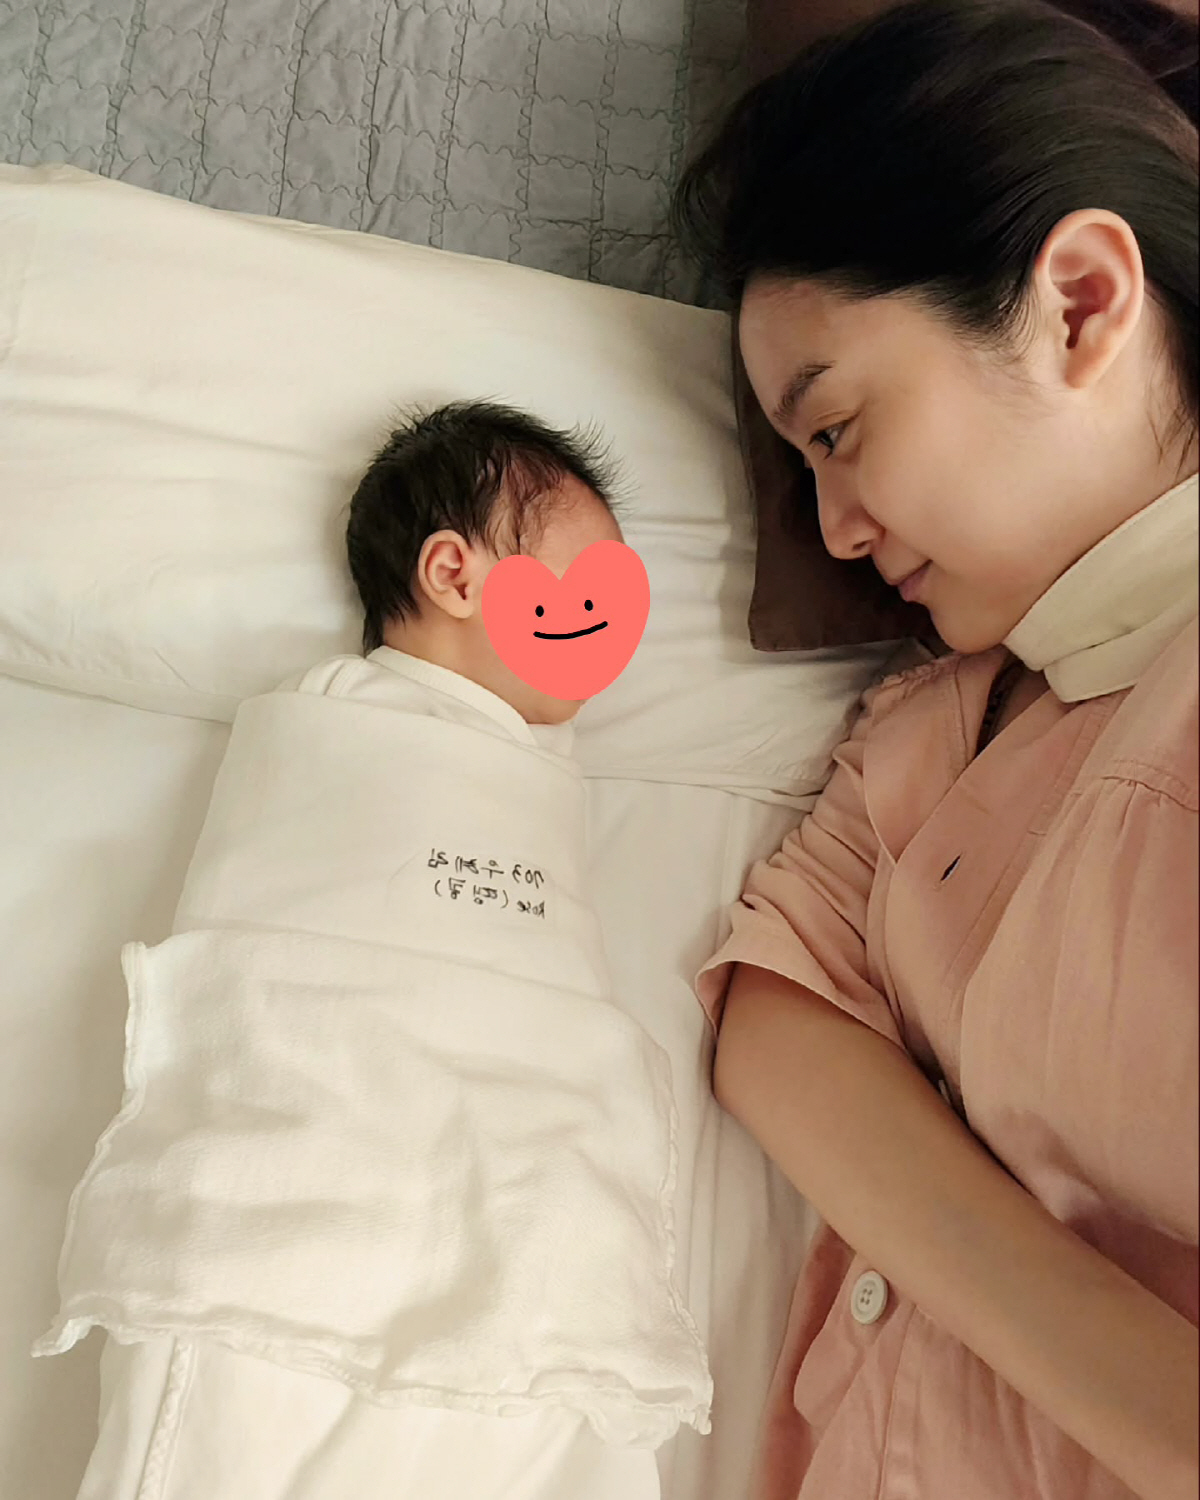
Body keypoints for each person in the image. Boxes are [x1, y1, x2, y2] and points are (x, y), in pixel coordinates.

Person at [672, 2, 1198, 1497]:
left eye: (836, 432)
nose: (833, 530)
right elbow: (774, 1016)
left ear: (1081, 305)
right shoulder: (927, 726)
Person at [34, 401, 711, 1500]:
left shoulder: (542, 772)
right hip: (323, 1146)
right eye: (587, 583)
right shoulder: (334, 718)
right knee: (244, 1406)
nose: (609, 627)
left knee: (547, 1398)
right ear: (453, 574)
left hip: (521, 1175)